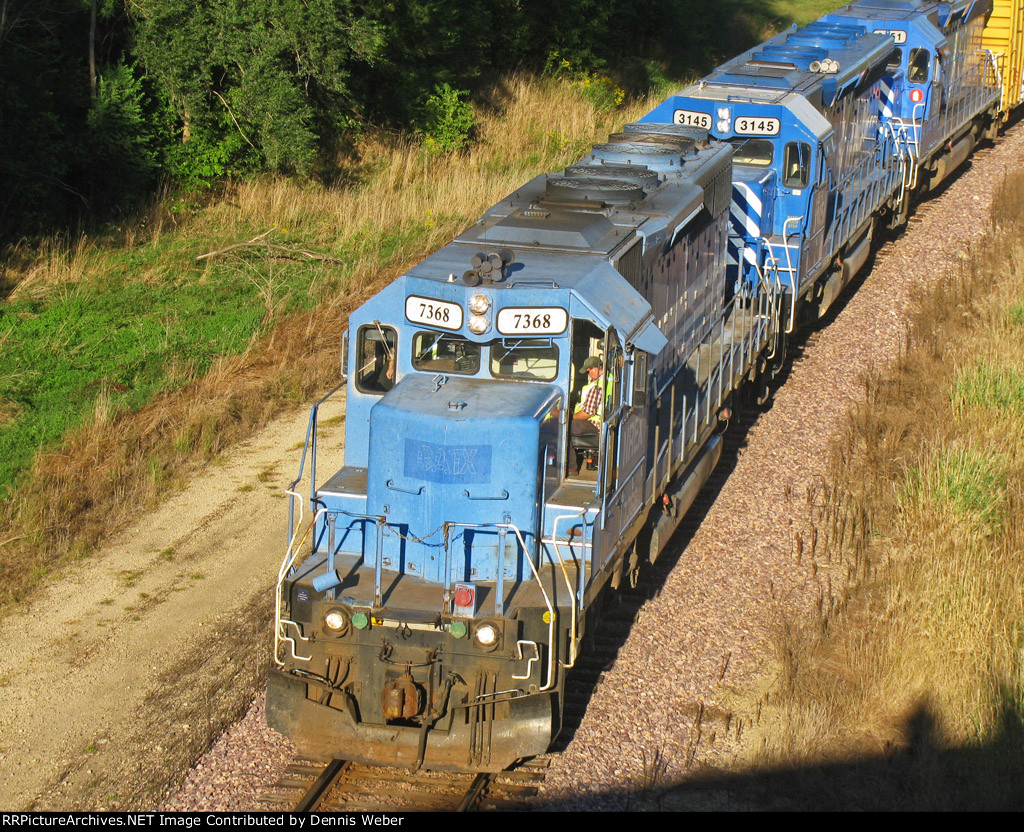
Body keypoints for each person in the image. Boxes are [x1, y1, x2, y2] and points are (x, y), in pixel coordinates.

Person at [569, 356, 604, 474]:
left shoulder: (598, 386)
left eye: (588, 371)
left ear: (595, 369)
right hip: (598, 421)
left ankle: (571, 467)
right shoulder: (608, 379)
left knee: (563, 428)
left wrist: (570, 417)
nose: (588, 374)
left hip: (594, 423)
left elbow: (587, 413)